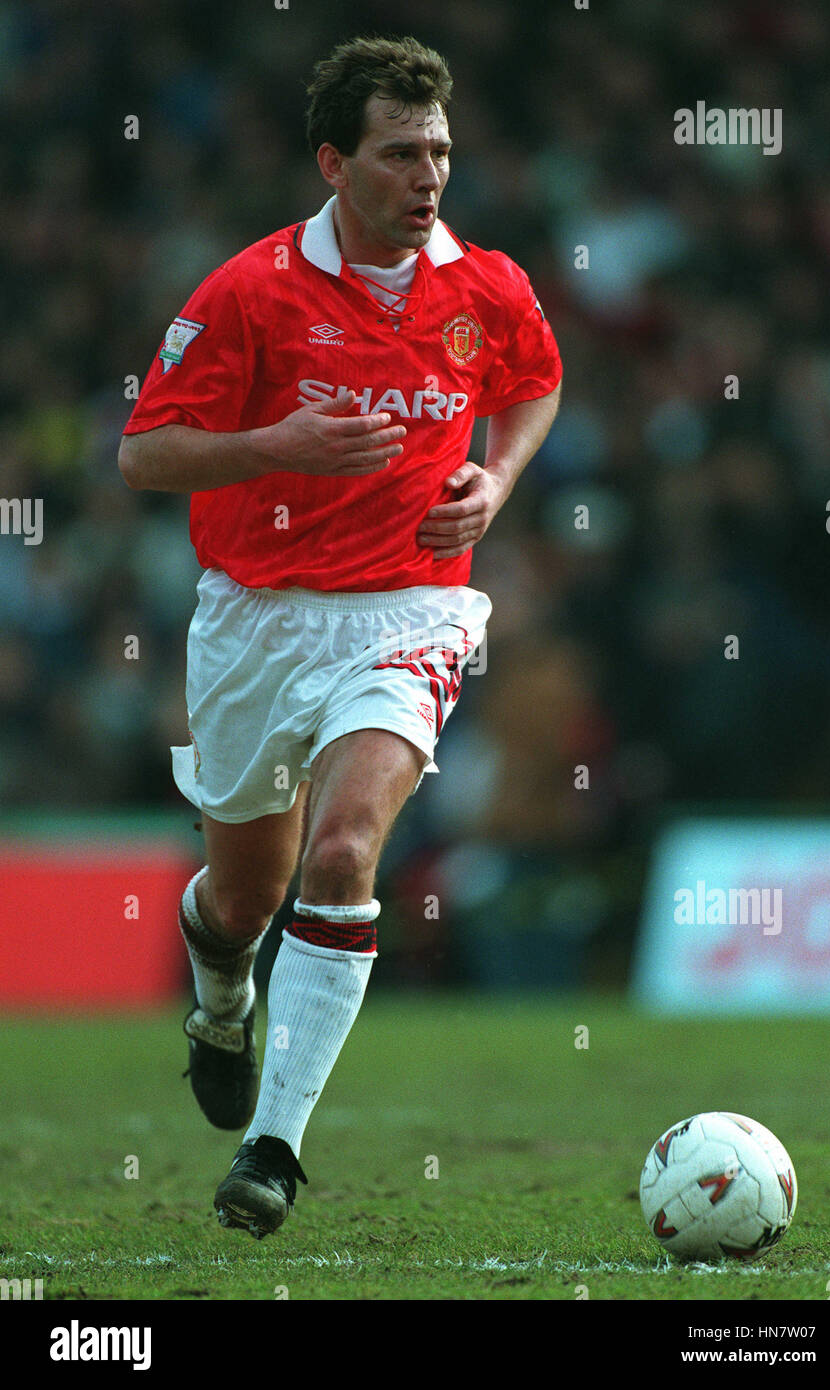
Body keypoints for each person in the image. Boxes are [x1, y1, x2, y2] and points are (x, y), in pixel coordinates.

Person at [118, 33, 562, 1239]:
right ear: (333, 163)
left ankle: (272, 1148)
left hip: (408, 609)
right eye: (400, 153)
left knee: (344, 851)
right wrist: (275, 446)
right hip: (255, 619)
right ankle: (220, 995)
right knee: (244, 897)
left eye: (440, 151)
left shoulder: (485, 285)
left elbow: (532, 381)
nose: (429, 176)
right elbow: (143, 454)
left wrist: (497, 479)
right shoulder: (250, 290)